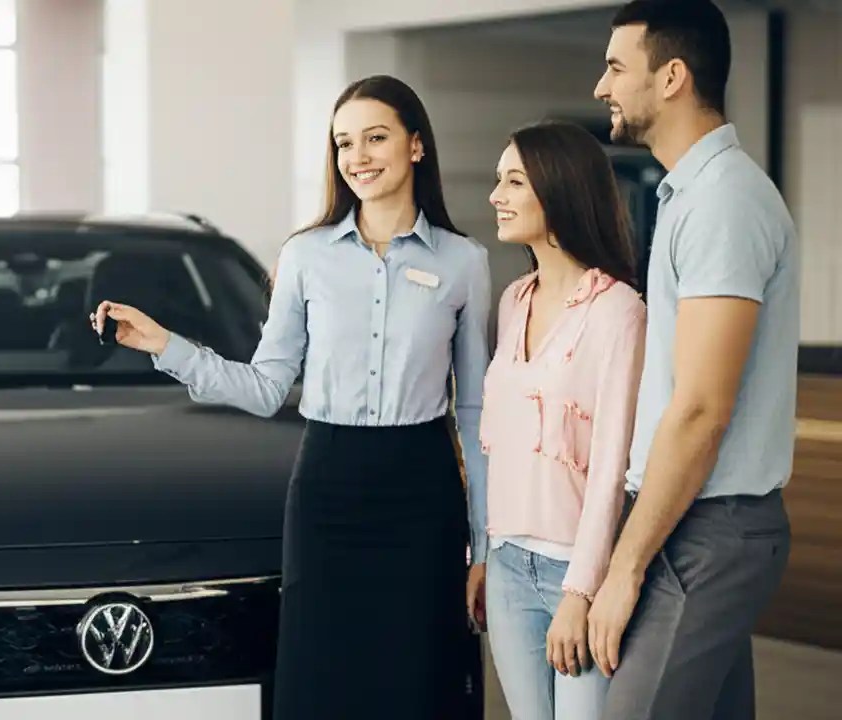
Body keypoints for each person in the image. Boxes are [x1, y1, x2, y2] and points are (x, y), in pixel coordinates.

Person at [91, 74, 491, 719]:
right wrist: (166, 345)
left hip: (424, 489)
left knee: (418, 679)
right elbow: (266, 386)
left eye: (376, 137)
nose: (357, 156)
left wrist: (484, 545)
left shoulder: (464, 262)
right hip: (328, 483)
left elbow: (472, 411)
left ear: (417, 146)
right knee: (323, 677)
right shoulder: (306, 256)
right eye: (343, 143)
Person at [588, 2, 799, 718]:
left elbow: (704, 409)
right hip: (692, 518)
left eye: (616, 67)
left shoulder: (723, 202)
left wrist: (624, 569)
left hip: (710, 527)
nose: (600, 87)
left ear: (672, 76)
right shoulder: (691, 195)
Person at [470, 119, 645, 720]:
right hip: (509, 566)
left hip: (577, 572)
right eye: (499, 180)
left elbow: (612, 469)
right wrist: (486, 556)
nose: (496, 195)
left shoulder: (619, 312)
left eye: (514, 181)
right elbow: (497, 448)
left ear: (560, 189)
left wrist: (582, 593)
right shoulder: (514, 298)